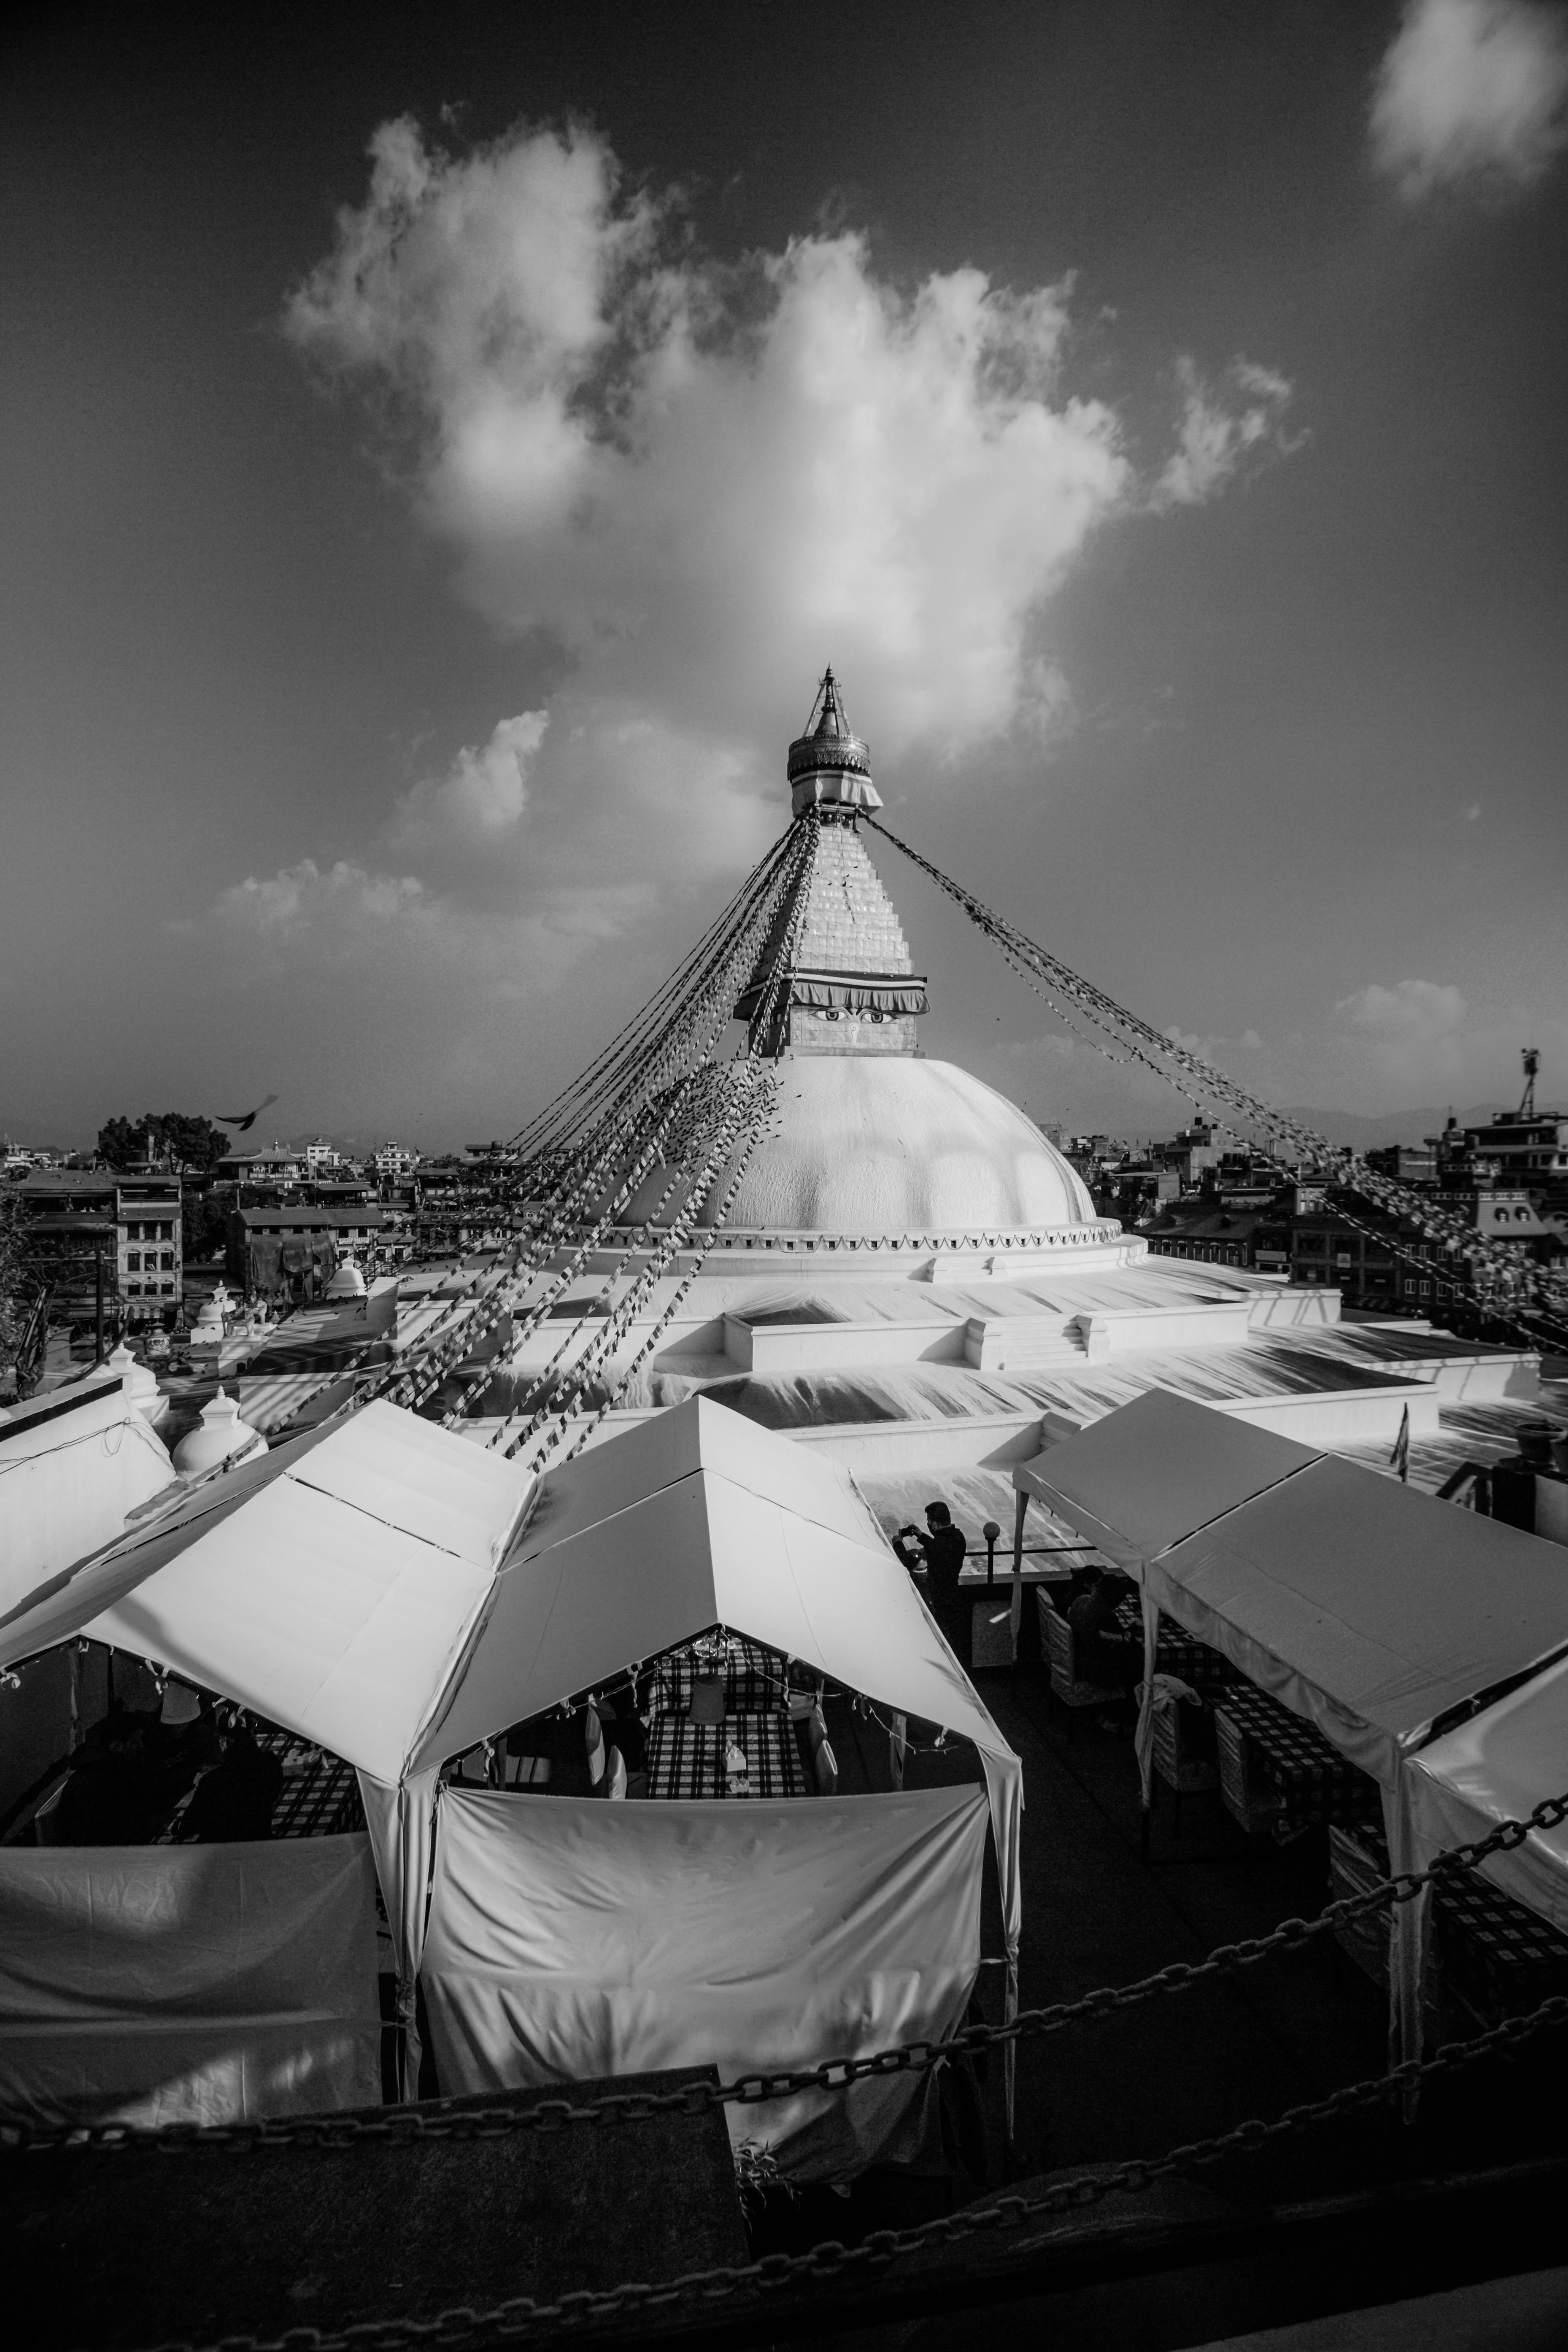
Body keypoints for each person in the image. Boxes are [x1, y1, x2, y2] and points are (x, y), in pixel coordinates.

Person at [173, 1726, 283, 1842]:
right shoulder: (271, 1763)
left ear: (224, 1742)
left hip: (221, 1846)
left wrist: (178, 1828)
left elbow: (193, 1822)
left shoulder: (213, 1781)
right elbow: (273, 1795)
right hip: (259, 1836)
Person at [894, 1501, 970, 1645]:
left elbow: (907, 1562)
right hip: (953, 1595)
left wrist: (898, 1543)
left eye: (929, 1521)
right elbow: (939, 1545)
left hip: (937, 1599)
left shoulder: (939, 1546)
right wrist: (920, 1535)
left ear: (934, 1524)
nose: (928, 1524)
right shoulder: (958, 1537)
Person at [1066, 1570, 1144, 1693]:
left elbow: (1109, 1636)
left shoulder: (1082, 1600)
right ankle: (1135, 1700)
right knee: (1138, 1659)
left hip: (1077, 1661)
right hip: (1096, 1672)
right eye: (1120, 1600)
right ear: (1114, 1598)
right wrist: (1134, 1629)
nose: (1119, 1604)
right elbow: (1122, 1641)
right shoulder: (1106, 1615)